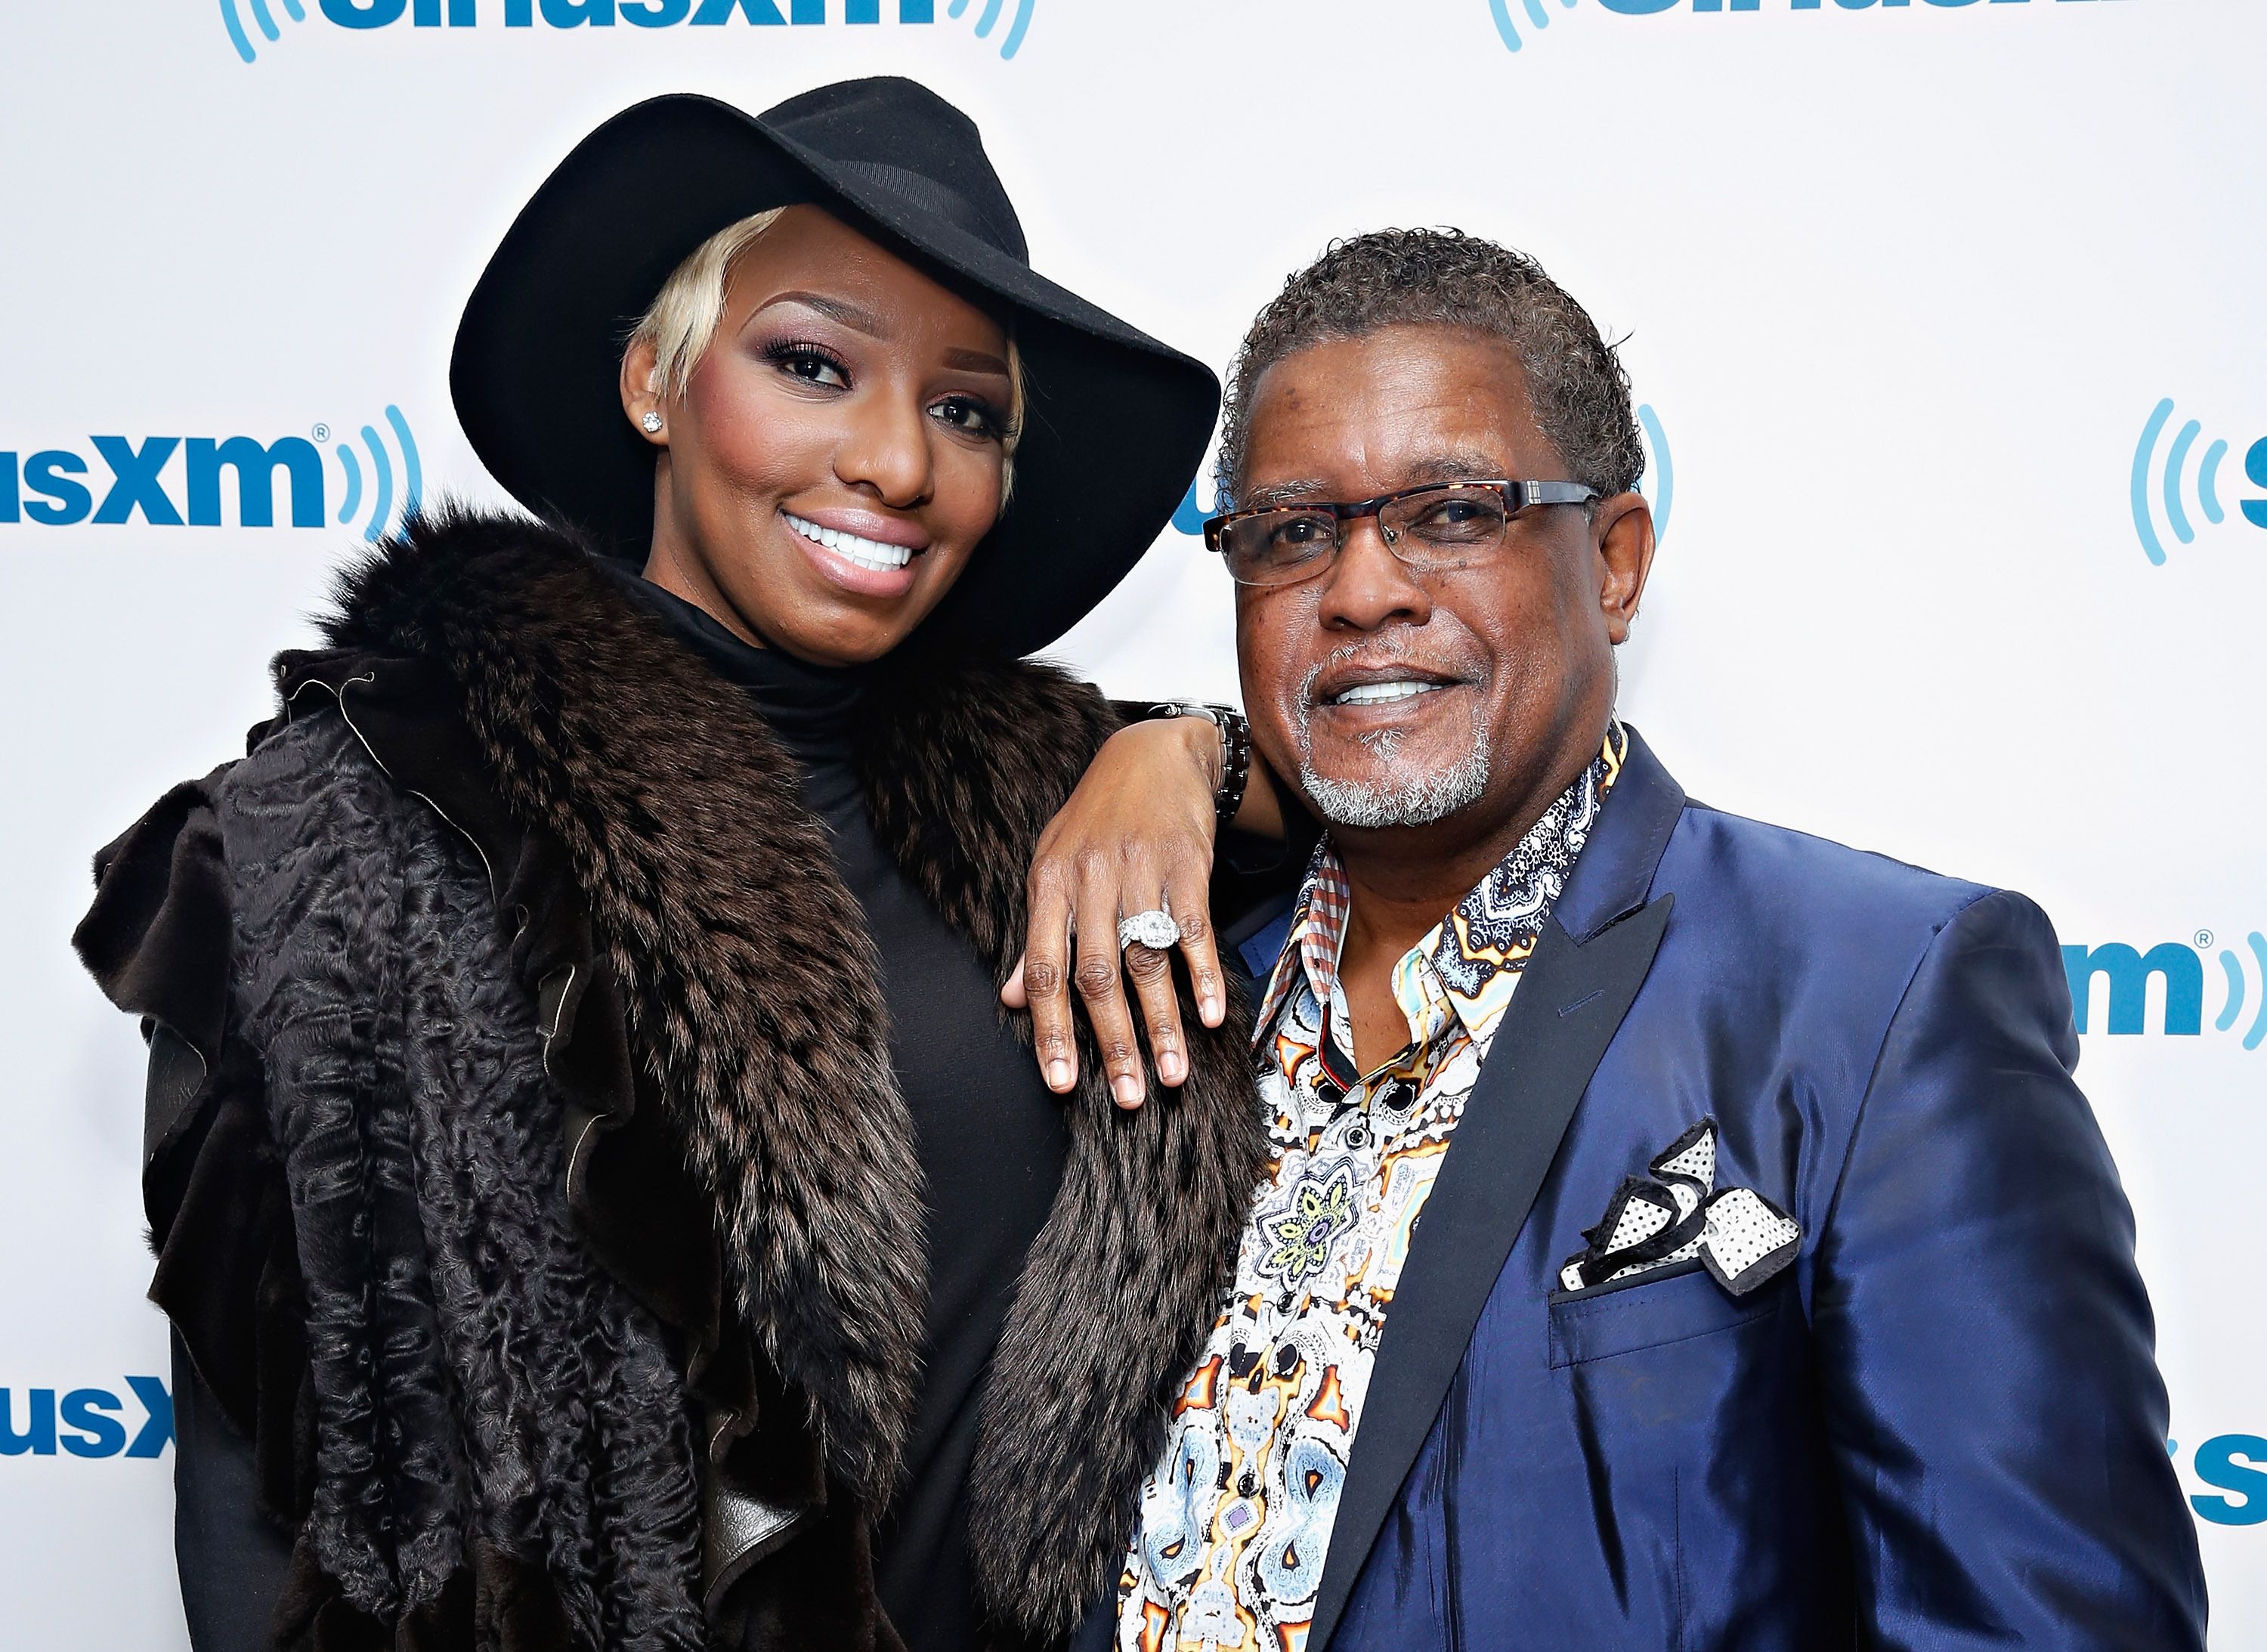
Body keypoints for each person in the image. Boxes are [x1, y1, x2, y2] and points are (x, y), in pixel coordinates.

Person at [73, 80, 1291, 1652]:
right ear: (655, 379)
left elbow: (1429, 811)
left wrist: (1194, 751)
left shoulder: (1059, 819)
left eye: (968, 411)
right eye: (813, 364)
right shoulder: (365, 831)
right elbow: (271, 1497)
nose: (898, 461)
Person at [1101, 229, 2210, 1650]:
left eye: (1453, 512)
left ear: (1615, 561)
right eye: (1293, 530)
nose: (1364, 589)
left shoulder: (1880, 1002)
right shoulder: (1158, 993)